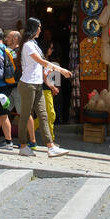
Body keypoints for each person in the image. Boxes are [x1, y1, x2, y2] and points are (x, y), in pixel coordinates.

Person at [13, 18, 70, 157]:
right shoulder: (28, 45)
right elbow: (41, 61)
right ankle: (23, 145)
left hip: (37, 84)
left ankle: (50, 147)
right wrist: (60, 69)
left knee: (44, 115)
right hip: (27, 85)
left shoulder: (34, 44)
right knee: (26, 116)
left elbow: (40, 64)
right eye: (39, 27)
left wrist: (48, 74)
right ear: (33, 28)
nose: (40, 29)